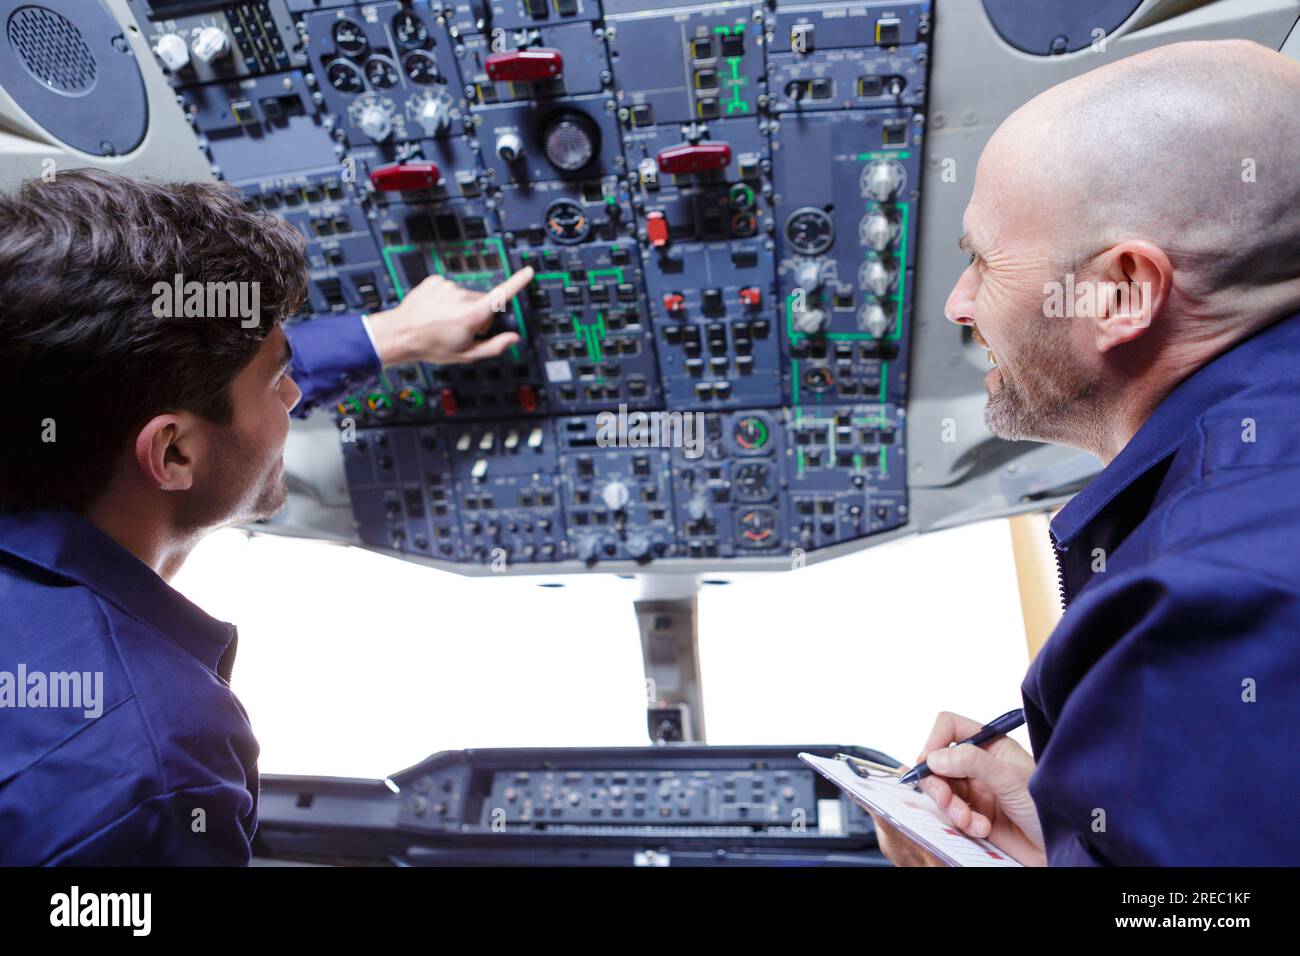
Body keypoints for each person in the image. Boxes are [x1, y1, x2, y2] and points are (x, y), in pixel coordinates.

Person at [0, 168, 532, 864]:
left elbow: (179, 374)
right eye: (278, 378)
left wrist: (388, 335)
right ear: (172, 452)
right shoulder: (157, 764)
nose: (293, 395)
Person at [871, 38, 1300, 866]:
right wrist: (1082, 836)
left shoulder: (1194, 607)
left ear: (1123, 291)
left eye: (982, 261)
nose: (959, 304)